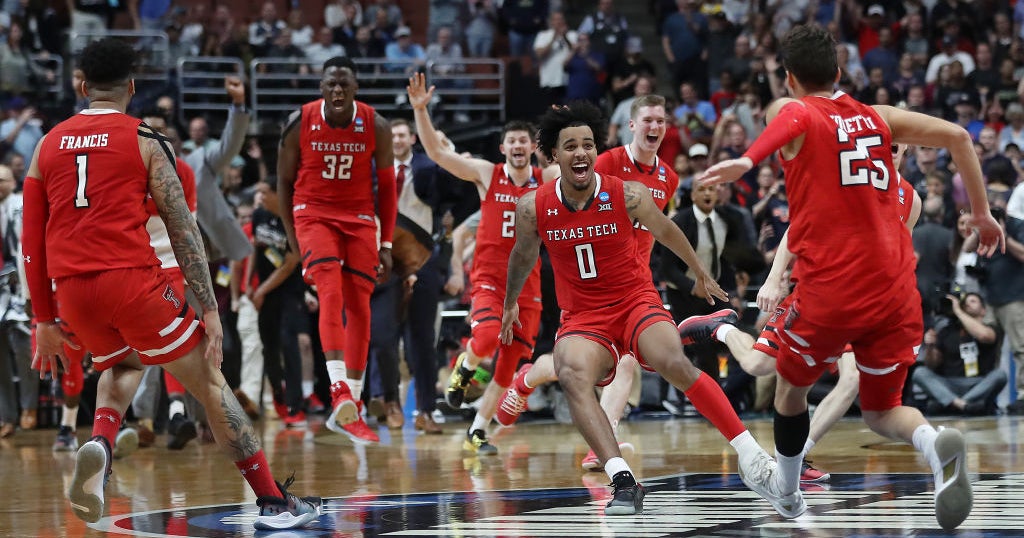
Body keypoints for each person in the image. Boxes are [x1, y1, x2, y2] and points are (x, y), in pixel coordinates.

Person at [697, 25, 1003, 529]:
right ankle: (933, 446)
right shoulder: (878, 117)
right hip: (897, 289)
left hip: (833, 288)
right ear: (840, 72)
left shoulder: (799, 112)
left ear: (790, 79)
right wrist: (983, 213)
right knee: (883, 411)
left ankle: (789, 492)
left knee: (787, 392)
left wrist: (747, 160)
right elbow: (959, 136)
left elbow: (788, 119)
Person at [22, 38, 320, 530]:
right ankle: (273, 502)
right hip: (131, 282)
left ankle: (99, 443)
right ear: (132, 88)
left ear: (81, 87)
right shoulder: (145, 140)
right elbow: (184, 234)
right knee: (209, 382)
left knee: (122, 365)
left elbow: (31, 242)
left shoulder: (45, 144)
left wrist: (44, 321)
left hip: (70, 292)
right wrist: (208, 308)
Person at [499, 100, 779, 516]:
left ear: (597, 151)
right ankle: (623, 481)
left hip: (634, 300)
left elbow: (666, 230)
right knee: (572, 373)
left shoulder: (629, 194)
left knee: (672, 361)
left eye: (588, 144)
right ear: (554, 156)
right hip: (584, 317)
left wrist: (700, 272)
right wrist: (509, 307)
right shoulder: (532, 206)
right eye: (570, 146)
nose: (581, 153)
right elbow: (522, 257)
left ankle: (752, 455)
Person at [680, 142, 922, 482]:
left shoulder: (910, 199)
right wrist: (774, 278)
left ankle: (798, 455)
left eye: (898, 147)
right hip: (816, 291)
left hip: (864, 302)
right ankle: (722, 329)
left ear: (906, 151)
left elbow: (896, 256)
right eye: (886, 144)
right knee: (758, 366)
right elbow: (797, 228)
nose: (891, 151)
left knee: (851, 380)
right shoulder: (851, 179)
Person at [495, 95, 681, 473]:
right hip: (587, 280)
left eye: (661, 120)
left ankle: (602, 441)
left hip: (634, 279)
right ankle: (529, 379)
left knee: (627, 363)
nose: (654, 127)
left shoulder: (669, 177)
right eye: (647, 119)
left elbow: (657, 228)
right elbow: (554, 182)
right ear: (631, 125)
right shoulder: (606, 161)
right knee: (600, 364)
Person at [407, 73, 544, 456]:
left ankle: (478, 430)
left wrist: (569, 130)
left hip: (528, 288)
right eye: (512, 141)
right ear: (503, 147)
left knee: (508, 366)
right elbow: (437, 154)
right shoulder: (488, 174)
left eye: (524, 141)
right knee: (484, 341)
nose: (518, 146)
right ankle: (465, 367)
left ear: (533, 147)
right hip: (489, 280)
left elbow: (583, 166)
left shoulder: (547, 182)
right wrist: (421, 111)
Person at [278, 56, 396, 445]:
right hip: (313, 213)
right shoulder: (301, 122)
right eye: (331, 84)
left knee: (360, 304)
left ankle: (353, 407)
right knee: (329, 290)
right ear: (322, 87)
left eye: (345, 84)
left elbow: (388, 191)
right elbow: (282, 182)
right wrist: (294, 241)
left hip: (359, 217)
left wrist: (387, 242)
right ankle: (339, 390)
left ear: (356, 87)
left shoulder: (376, 125)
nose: (338, 91)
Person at [913, 292, 1006, 415]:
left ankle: (951, 403)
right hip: (949, 383)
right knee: (920, 373)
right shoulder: (946, 331)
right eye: (965, 302)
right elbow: (932, 364)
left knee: (1000, 375)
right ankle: (963, 405)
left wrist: (958, 311)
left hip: (978, 384)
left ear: (983, 310)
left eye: (973, 301)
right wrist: (930, 345)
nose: (967, 303)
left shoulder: (990, 328)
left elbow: (984, 336)